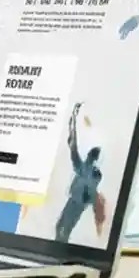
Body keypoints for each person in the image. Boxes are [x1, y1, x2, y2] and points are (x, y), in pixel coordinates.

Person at [55, 102, 105, 243]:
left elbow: (73, 149)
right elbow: (73, 149)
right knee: (61, 228)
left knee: (63, 229)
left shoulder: (90, 172)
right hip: (75, 202)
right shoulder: (88, 171)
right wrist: (73, 122)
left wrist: (74, 123)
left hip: (76, 203)